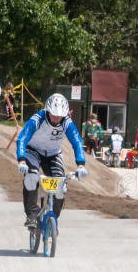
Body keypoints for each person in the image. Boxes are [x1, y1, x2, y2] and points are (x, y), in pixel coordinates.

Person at [15, 93, 88, 228]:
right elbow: (22, 138)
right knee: (31, 177)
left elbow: (77, 142)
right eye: (53, 115)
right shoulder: (38, 119)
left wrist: (81, 164)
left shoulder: (67, 122)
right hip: (33, 151)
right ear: (48, 110)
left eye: (59, 116)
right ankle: (31, 215)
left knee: (61, 186)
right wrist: (21, 160)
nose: (56, 119)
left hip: (54, 154)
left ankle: (52, 220)